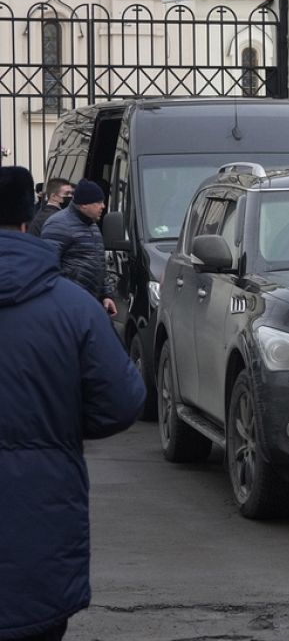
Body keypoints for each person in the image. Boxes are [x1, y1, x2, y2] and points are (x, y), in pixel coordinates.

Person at [0, 166, 145, 641]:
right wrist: (57, 420)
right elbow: (121, 403)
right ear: (28, 219)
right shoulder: (73, 307)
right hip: (39, 517)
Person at [39, 178, 116, 318]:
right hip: (68, 307)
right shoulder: (59, 224)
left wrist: (106, 295)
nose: (103, 206)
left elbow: (99, 264)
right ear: (84, 205)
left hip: (90, 304)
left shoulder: (92, 226)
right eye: (98, 202)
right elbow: (47, 267)